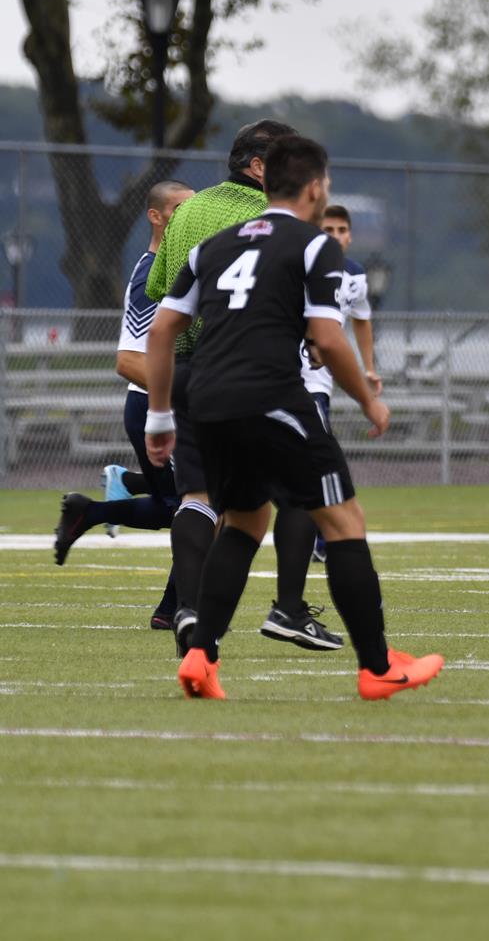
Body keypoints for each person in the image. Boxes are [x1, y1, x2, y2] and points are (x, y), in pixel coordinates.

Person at [144, 134, 443, 700]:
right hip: (274, 399)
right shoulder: (313, 246)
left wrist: (161, 415)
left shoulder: (216, 245)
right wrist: (370, 400)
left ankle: (201, 657)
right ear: (314, 187)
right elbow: (328, 341)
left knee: (246, 522)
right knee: (344, 522)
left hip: (206, 402)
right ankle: (378, 667)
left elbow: (161, 331)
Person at [142, 118, 346, 655]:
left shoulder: (188, 210)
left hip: (188, 373)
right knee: (304, 485)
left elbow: (160, 289)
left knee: (198, 498)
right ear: (258, 167)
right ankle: (291, 607)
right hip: (252, 371)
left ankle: (188, 611)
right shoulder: (273, 217)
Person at [52, 181, 195, 631]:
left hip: (175, 410)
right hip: (154, 411)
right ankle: (174, 609)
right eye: (180, 210)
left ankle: (91, 512)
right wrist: (189, 392)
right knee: (200, 507)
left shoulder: (184, 267)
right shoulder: (150, 274)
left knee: (187, 506)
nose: (189, 219)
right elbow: (128, 362)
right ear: (156, 216)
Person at [265, 203, 383, 648]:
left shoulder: (351, 273)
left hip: (305, 384)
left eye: (342, 228)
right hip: (288, 381)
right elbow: (312, 327)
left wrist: (368, 368)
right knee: (310, 480)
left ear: (350, 235)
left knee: (260, 499)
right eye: (328, 226)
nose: (335, 234)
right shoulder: (305, 258)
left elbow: (361, 322)